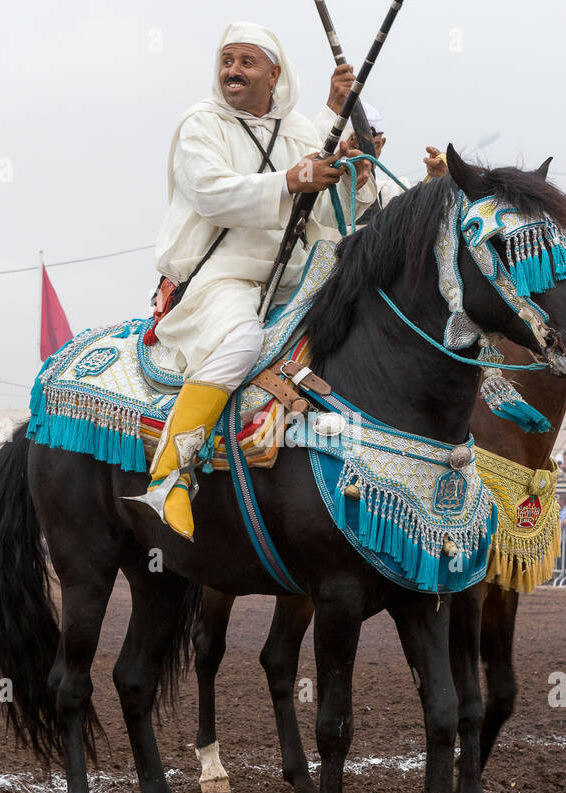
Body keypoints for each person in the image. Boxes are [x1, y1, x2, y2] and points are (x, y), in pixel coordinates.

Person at [141, 21, 376, 540]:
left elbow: (330, 223)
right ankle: (170, 474)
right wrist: (292, 180)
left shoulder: (298, 132)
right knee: (242, 340)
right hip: (218, 279)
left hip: (294, 282)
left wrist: (357, 177)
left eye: (247, 62)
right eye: (227, 61)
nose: (233, 71)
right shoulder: (201, 123)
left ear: (275, 74)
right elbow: (211, 194)